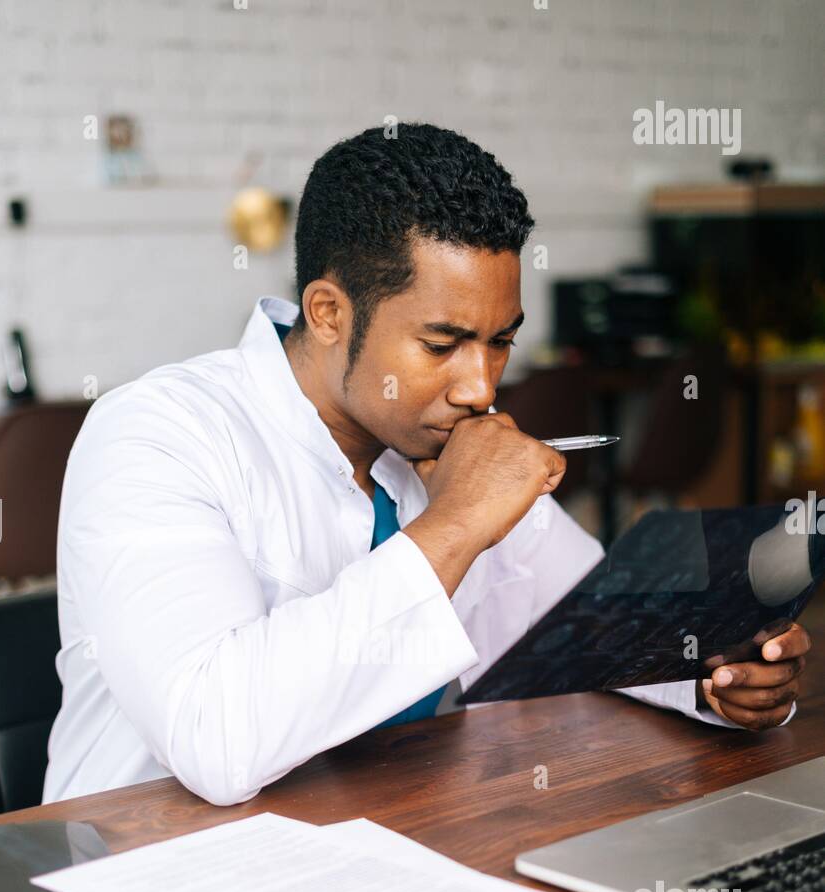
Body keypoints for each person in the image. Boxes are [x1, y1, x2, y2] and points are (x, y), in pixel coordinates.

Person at [42, 124, 811, 807]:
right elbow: (217, 741)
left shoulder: (435, 432)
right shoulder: (155, 436)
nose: (481, 388)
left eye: (501, 341)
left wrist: (719, 673)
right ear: (328, 313)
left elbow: (600, 624)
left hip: (378, 854)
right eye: (442, 345)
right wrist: (456, 524)